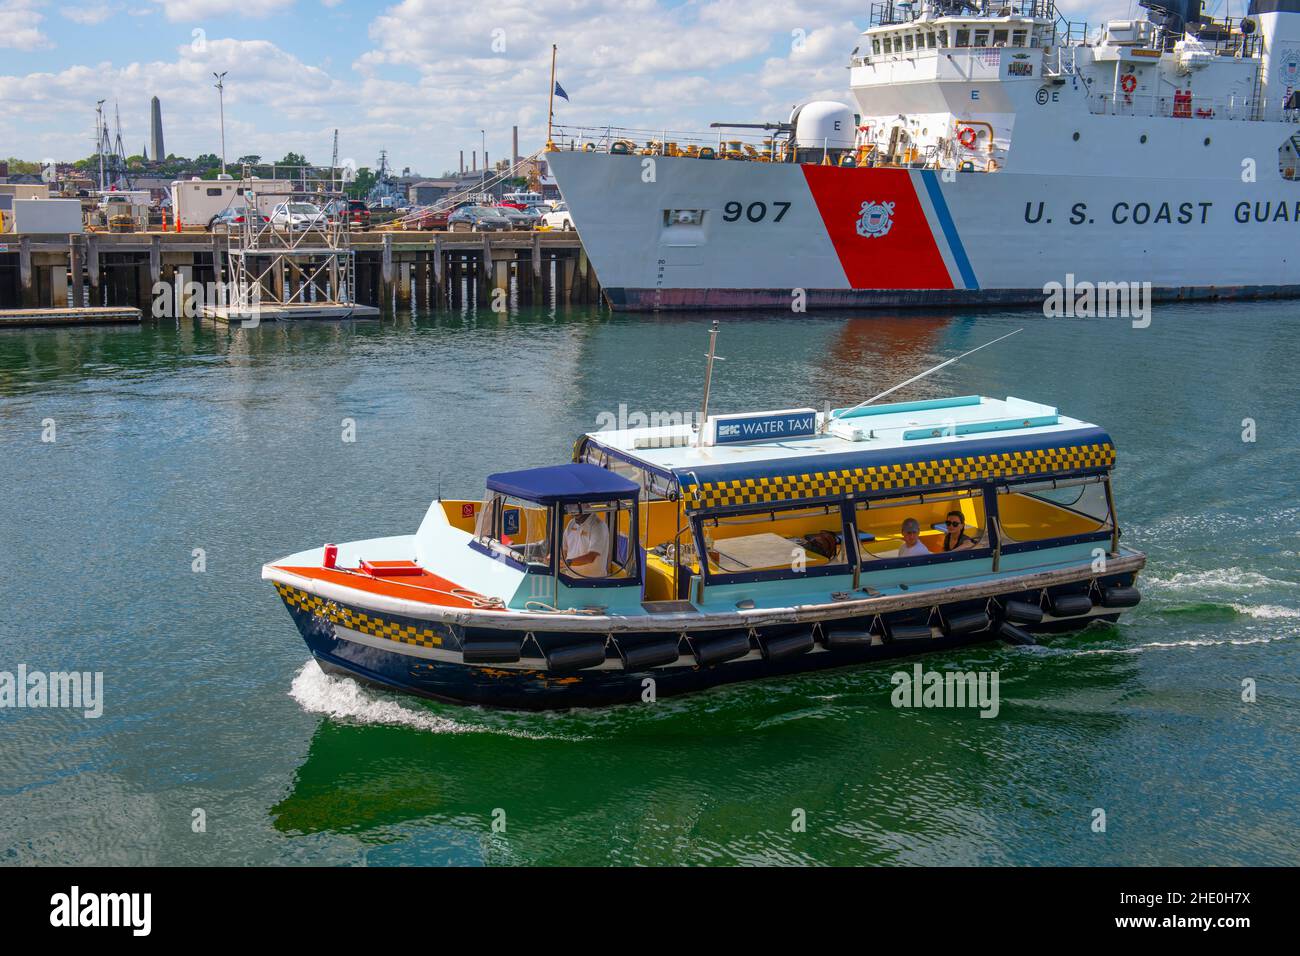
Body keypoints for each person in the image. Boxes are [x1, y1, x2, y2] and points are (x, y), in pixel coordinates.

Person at [562, 509, 610, 576]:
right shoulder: (571, 523)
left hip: (592, 582)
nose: (573, 509)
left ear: (587, 506)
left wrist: (567, 562)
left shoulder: (599, 526)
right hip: (570, 578)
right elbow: (564, 549)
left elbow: (590, 557)